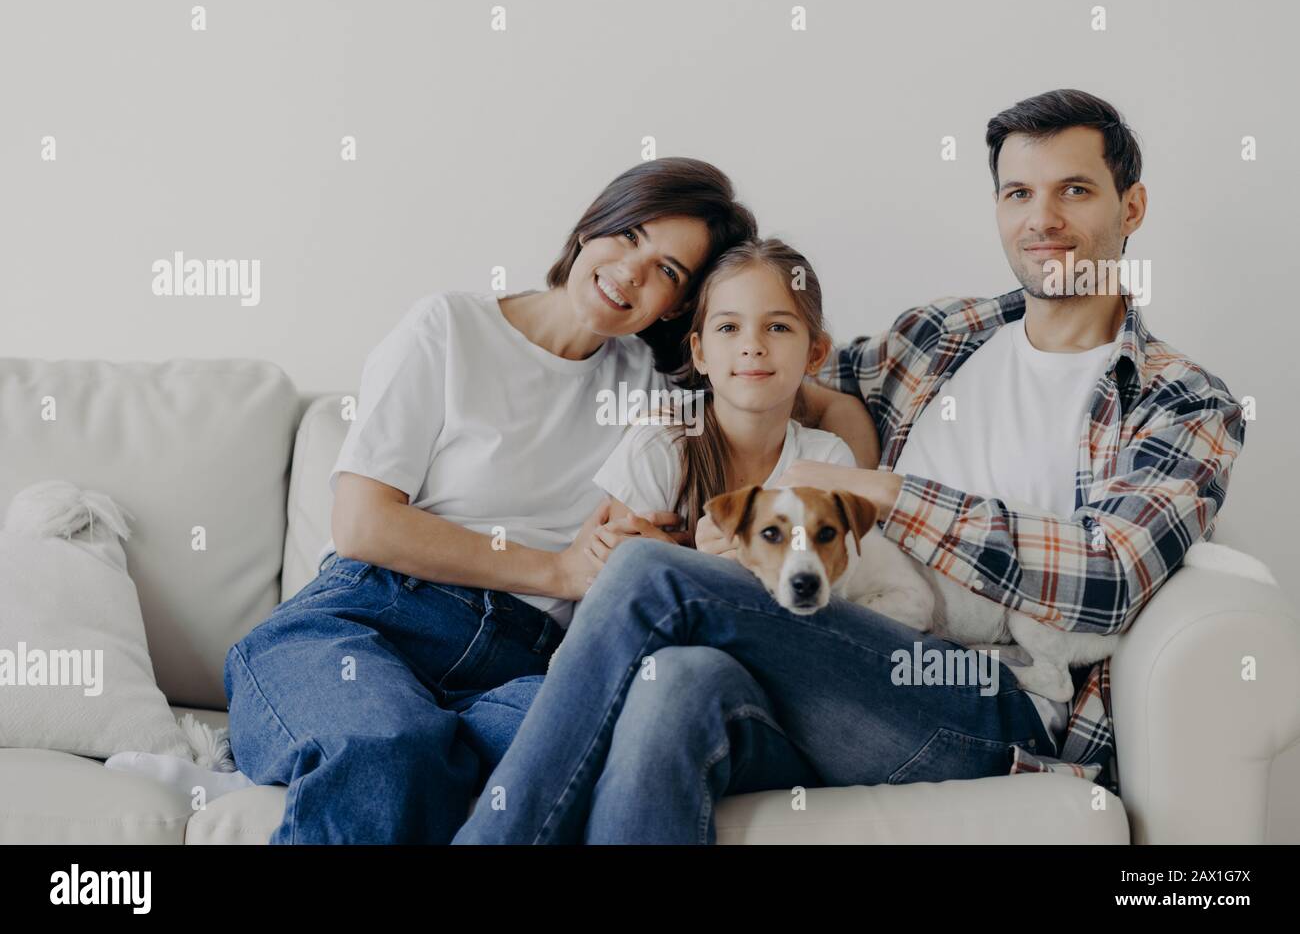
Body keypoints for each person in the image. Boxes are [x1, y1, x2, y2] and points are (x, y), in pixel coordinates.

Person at [451, 89, 1248, 844]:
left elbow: (1106, 579)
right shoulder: (940, 338)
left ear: (1130, 207)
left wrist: (878, 490)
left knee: (647, 578)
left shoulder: (1183, 402)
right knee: (676, 687)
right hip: (833, 667)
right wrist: (663, 486)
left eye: (1074, 190)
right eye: (1017, 193)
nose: (1042, 219)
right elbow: (772, 371)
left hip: (985, 699)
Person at [222, 156, 877, 844]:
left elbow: (820, 405)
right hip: (369, 619)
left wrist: (850, 495)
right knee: (390, 751)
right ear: (594, 223)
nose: (633, 272)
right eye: (630, 236)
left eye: (669, 272)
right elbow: (361, 525)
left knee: (617, 748)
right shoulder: (448, 328)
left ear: (679, 309)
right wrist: (558, 571)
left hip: (524, 667)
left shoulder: (661, 395)